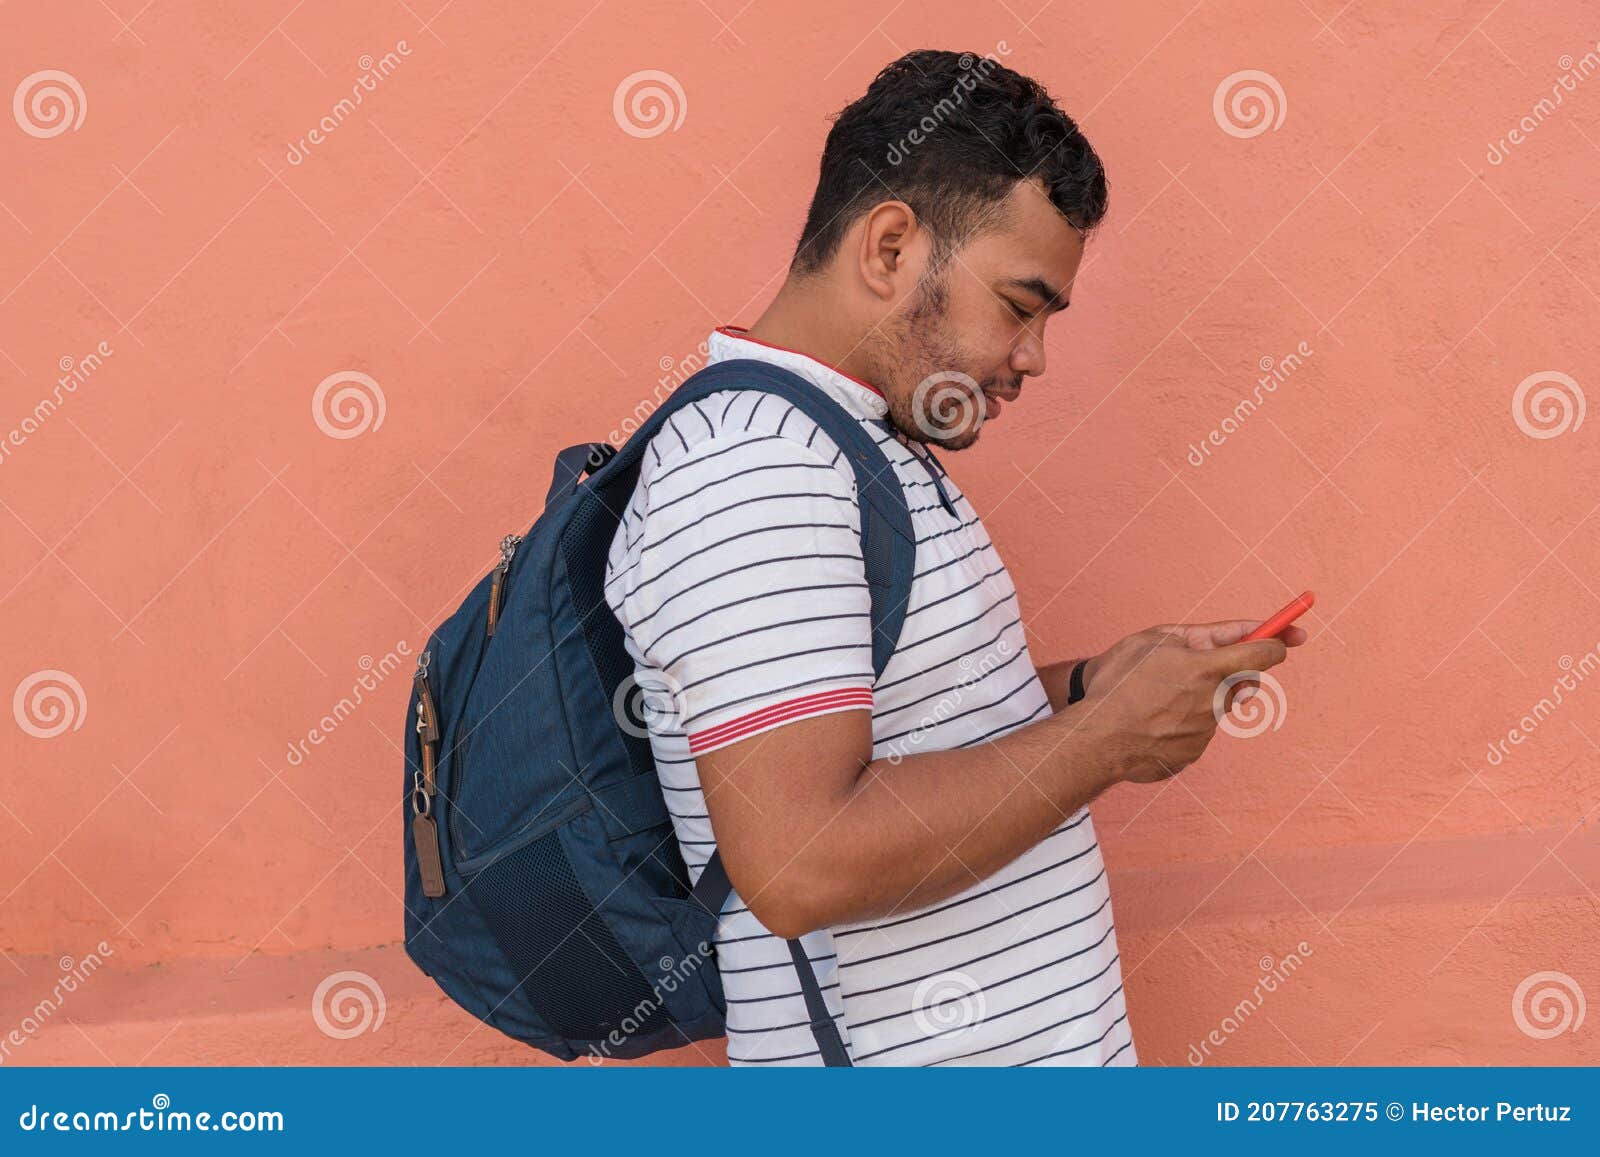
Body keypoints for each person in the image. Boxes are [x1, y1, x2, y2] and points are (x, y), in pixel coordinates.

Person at [602, 48, 1305, 1066]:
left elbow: (897, 727)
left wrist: (1090, 689)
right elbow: (799, 863)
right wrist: (1109, 736)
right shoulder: (755, 466)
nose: (1033, 357)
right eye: (1019, 305)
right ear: (891, 247)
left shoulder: (850, 438)